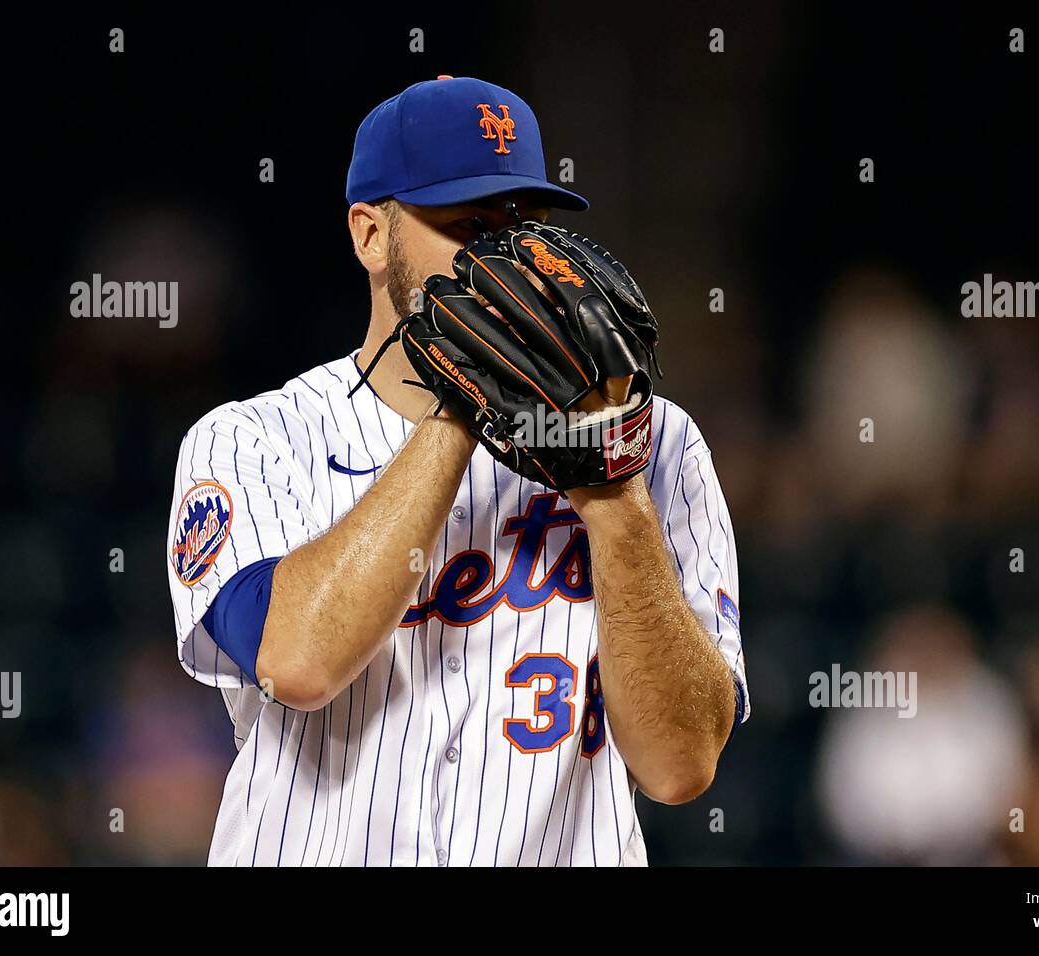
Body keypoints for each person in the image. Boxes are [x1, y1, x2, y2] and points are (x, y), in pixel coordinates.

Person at [166, 75, 747, 866]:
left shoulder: (659, 445)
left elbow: (680, 766)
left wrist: (613, 493)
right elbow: (299, 662)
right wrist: (464, 404)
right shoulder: (252, 439)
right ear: (371, 236)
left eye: (523, 226)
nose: (508, 258)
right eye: (469, 226)